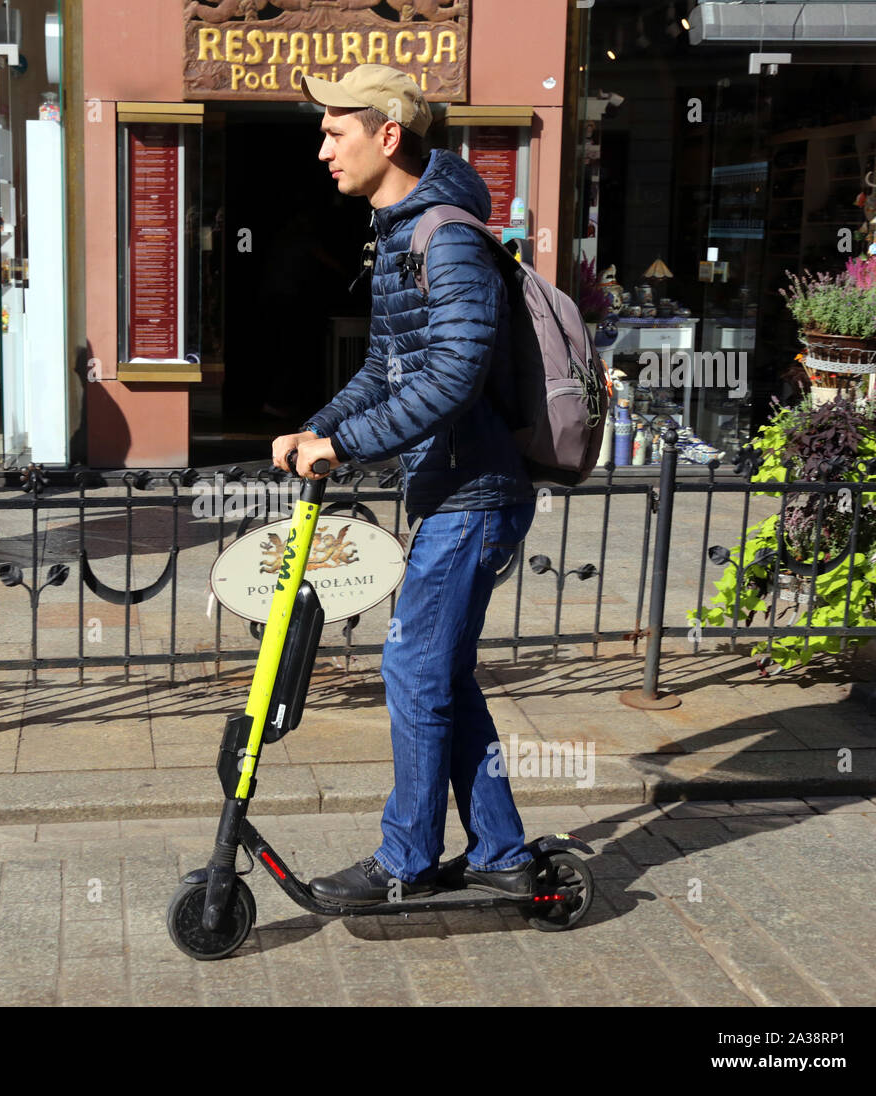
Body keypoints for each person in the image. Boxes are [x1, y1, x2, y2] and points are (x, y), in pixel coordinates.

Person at [271, 64, 537, 903]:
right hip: (452, 491)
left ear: (388, 135)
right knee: (443, 678)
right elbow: (389, 371)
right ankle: (500, 853)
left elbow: (454, 373)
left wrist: (342, 448)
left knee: (414, 671)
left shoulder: (445, 237)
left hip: (476, 493)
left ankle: (406, 862)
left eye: (334, 131)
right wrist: (318, 427)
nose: (323, 150)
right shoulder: (400, 231)